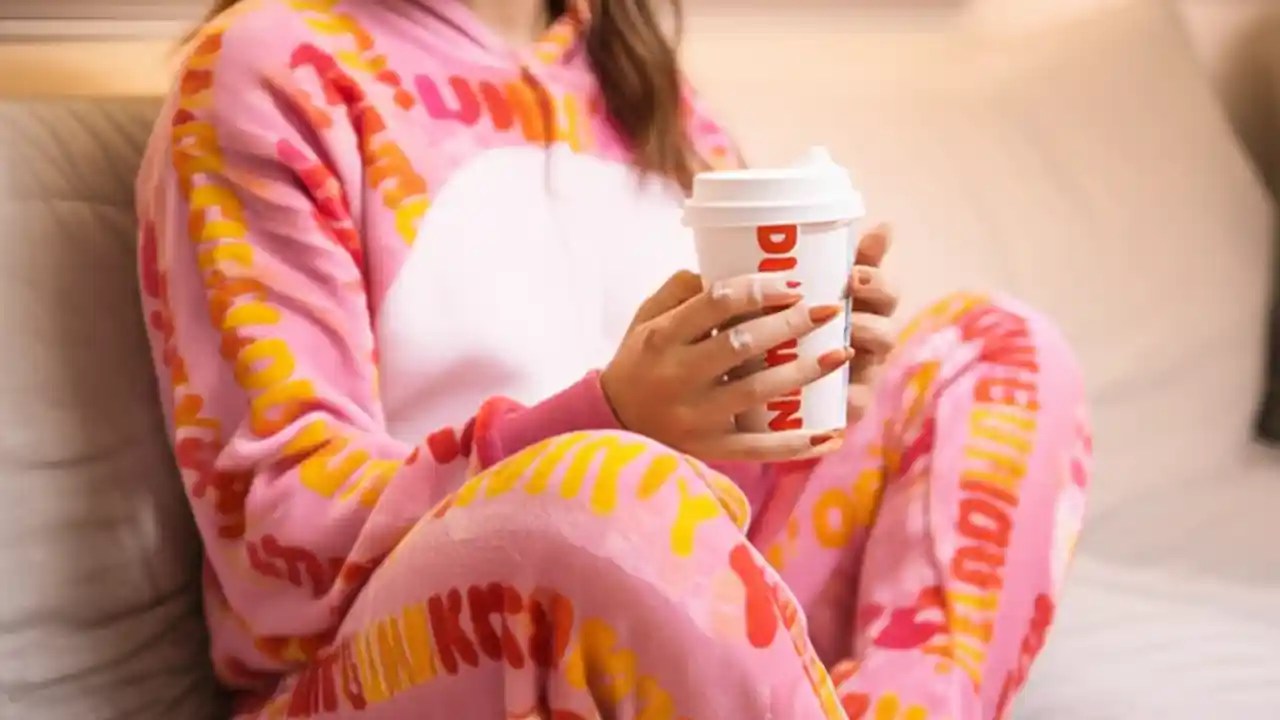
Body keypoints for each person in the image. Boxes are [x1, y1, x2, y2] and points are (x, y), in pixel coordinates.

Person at [136, 0, 1092, 717]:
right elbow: (277, 552)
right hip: (386, 666)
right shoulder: (272, 66)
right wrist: (615, 421)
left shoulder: (638, 83)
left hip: (685, 632)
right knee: (613, 489)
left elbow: (713, 510)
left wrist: (796, 392)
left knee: (995, 351)